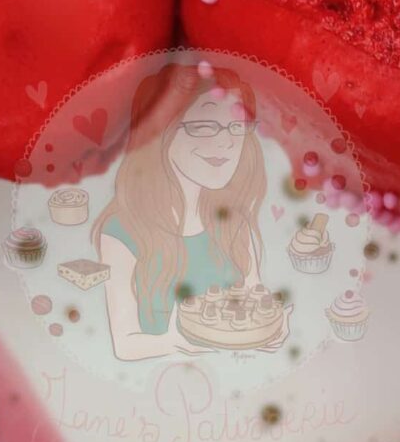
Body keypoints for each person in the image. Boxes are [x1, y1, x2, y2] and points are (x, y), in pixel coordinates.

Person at [94, 62, 286, 363]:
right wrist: (174, 342)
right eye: (206, 125)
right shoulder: (122, 230)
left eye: (236, 126)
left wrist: (268, 330)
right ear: (161, 130)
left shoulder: (235, 223)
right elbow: (125, 344)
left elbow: (253, 304)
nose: (226, 142)